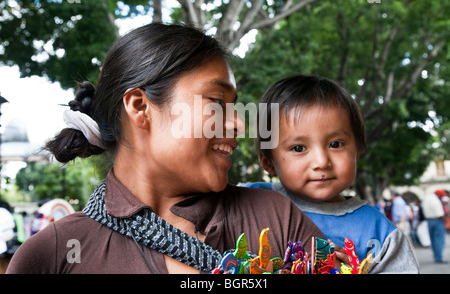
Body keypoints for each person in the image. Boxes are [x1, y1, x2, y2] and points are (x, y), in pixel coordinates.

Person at [6, 23, 324, 274]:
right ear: (141, 107)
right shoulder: (53, 255)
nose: (239, 125)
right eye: (216, 102)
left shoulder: (277, 220)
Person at [245, 75, 419, 273]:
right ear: (268, 162)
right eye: (299, 148)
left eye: (335, 144)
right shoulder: (245, 203)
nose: (321, 162)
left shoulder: (380, 234)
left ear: (357, 150)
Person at [422, 189, 448, 263]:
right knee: (439, 240)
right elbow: (439, 213)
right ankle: (439, 257)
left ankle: (436, 256)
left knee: (433, 239)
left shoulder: (427, 198)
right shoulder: (435, 200)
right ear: (438, 194)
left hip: (429, 220)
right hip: (437, 220)